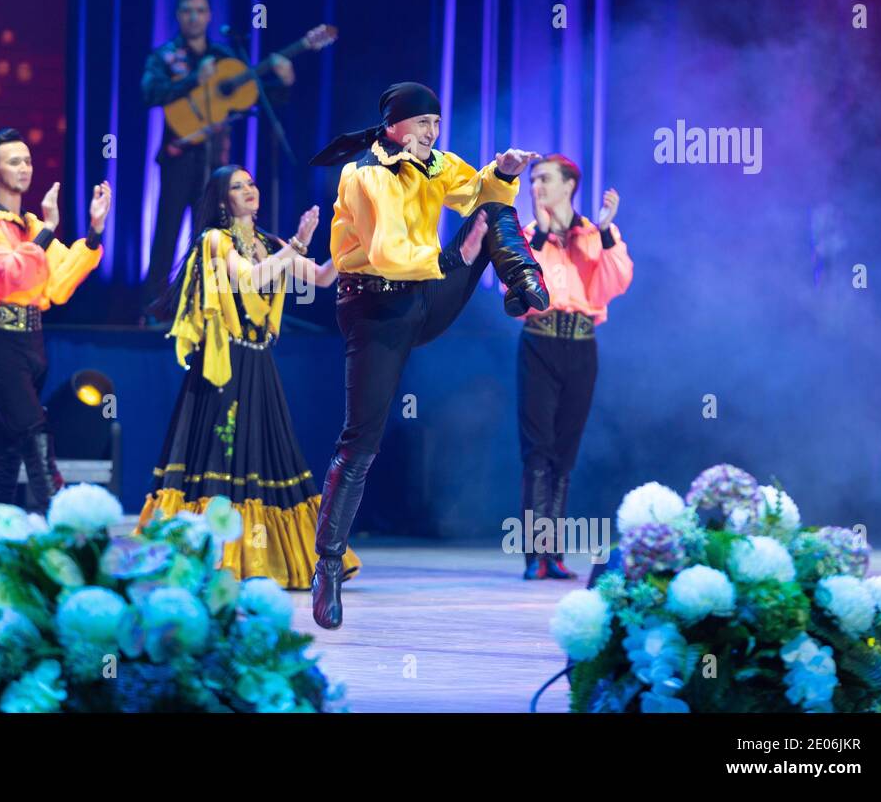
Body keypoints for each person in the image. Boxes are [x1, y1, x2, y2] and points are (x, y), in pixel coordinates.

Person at [305, 82, 550, 629]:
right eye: (422, 124)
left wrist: (504, 172)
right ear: (394, 126)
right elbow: (389, 254)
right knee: (361, 439)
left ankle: (525, 283)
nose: (432, 133)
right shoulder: (364, 175)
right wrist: (449, 258)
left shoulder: (437, 163)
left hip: (424, 296)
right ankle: (326, 565)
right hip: (376, 310)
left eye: (436, 123)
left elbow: (477, 192)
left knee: (491, 211)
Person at [136, 166, 359, 588]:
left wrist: (355, 235)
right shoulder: (214, 241)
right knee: (219, 458)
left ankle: (272, 558)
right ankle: (210, 556)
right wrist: (294, 245)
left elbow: (324, 277)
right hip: (223, 365)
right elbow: (249, 279)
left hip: (259, 366)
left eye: (252, 183)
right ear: (223, 202)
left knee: (266, 457)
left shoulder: (271, 244)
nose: (249, 190)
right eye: (237, 187)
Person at [0, 128, 111, 512]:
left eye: (27, 160)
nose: (24, 168)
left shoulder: (29, 224)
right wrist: (45, 231)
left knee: (7, 437)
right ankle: (59, 518)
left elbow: (59, 283)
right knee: (33, 427)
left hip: (33, 341)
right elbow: (11, 273)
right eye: (14, 161)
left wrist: (93, 232)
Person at [138, 0, 294, 322]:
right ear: (178, 16)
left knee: (213, 233)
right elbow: (150, 93)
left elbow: (254, 96)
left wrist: (282, 83)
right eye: (187, 11)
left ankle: (209, 306)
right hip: (178, 155)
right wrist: (195, 78)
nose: (193, 17)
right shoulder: (165, 56)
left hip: (216, 162)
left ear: (209, 16)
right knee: (166, 232)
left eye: (200, 10)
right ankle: (154, 309)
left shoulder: (225, 57)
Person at [516, 154, 632, 579]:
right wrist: (544, 234)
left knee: (564, 453)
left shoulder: (597, 234)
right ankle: (535, 555)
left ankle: (555, 553)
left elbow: (615, 282)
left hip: (582, 345)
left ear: (569, 185)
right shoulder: (527, 236)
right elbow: (521, 293)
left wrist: (601, 230)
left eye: (544, 179)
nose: (536, 187)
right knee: (537, 451)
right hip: (540, 343)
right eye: (532, 181)